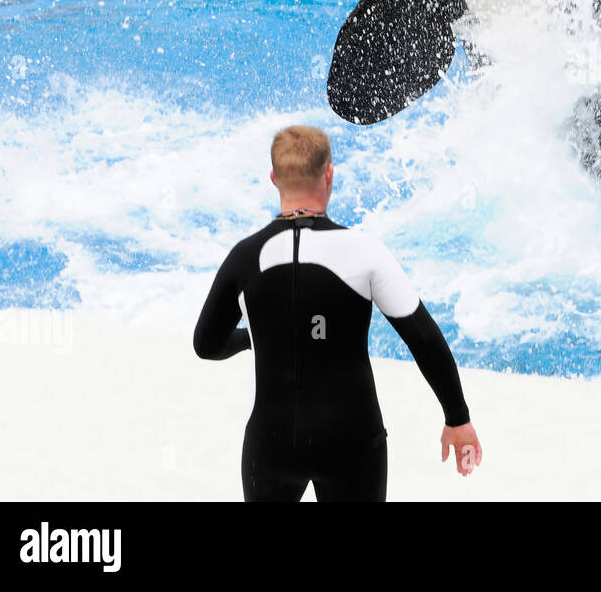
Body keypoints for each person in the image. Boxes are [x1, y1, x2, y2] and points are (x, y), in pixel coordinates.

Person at [193, 125, 481, 501]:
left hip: (272, 441)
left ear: (273, 178)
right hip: (352, 442)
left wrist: (256, 337)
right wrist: (457, 418)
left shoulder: (245, 256)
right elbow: (423, 338)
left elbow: (206, 344)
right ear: (330, 173)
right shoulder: (365, 251)